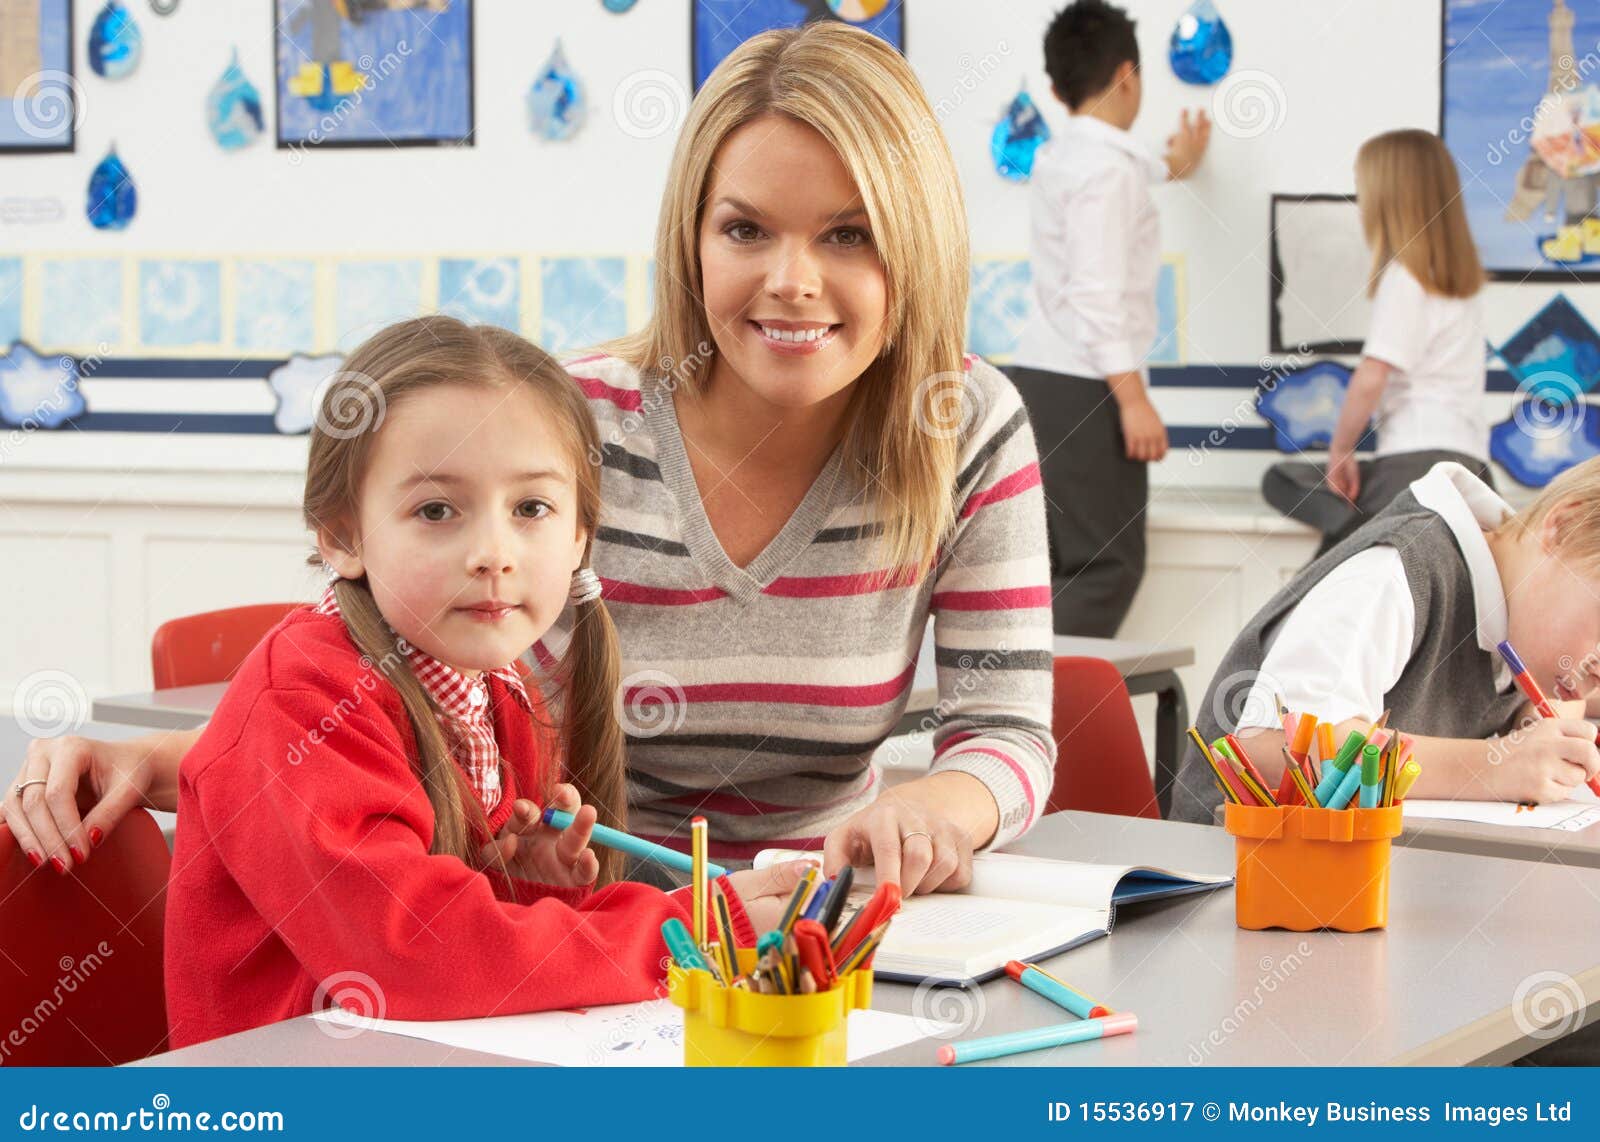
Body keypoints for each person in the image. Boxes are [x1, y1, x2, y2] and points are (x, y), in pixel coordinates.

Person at [5, 22, 1054, 902]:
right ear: (691, 239)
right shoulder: (567, 425)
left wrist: (933, 804)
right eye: (745, 229)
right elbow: (408, 724)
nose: (790, 279)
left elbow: (1005, 733)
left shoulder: (964, 424)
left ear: (914, 246)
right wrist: (165, 760)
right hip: (567, 937)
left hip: (819, 931)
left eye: (847, 235)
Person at [159, 318, 807, 1047]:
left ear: (580, 536)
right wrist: (691, 934)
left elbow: (461, 946)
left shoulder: (501, 689)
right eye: (437, 510)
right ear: (343, 534)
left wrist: (521, 883)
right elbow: (415, 956)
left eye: (531, 508)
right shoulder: (304, 700)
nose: (493, 553)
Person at [1169, 457, 1600, 826]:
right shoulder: (1396, 573)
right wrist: (1493, 767)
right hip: (1232, 881)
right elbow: (1271, 748)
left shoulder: (1523, 611)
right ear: (1562, 526)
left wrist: (1544, 717)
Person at [1009, 0, 1210, 637]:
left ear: (1058, 85)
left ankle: (1011, 722)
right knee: (1105, 567)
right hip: (1086, 387)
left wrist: (1177, 165)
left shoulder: (1063, 155)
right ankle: (1045, 714)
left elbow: (1125, 169)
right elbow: (1097, 297)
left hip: (1038, 383)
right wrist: (1133, 401)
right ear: (1128, 75)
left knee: (1046, 567)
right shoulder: (1108, 172)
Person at [1321, 129, 1495, 554]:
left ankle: (1350, 516)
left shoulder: (1405, 279)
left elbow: (1371, 376)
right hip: (1469, 465)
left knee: (1322, 585)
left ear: (1388, 200)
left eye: (1362, 191)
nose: (1360, 203)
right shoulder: (1461, 287)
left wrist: (1341, 450)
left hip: (1413, 465)